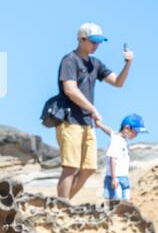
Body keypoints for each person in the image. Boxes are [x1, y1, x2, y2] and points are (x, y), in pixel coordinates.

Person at [55, 22, 133, 201]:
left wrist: (128, 63)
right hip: (69, 120)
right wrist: (92, 108)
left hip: (87, 123)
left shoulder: (95, 63)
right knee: (70, 167)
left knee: (89, 168)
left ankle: (62, 204)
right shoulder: (70, 60)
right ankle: (60, 209)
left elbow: (117, 82)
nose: (96, 45)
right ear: (81, 39)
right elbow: (70, 89)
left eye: (98, 42)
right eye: (93, 41)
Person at [97, 113, 147, 202]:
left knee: (125, 204)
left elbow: (109, 131)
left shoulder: (118, 137)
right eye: (135, 132)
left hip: (124, 177)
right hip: (116, 178)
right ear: (127, 128)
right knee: (115, 204)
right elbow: (112, 158)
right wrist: (113, 178)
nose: (136, 135)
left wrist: (100, 125)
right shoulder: (116, 140)